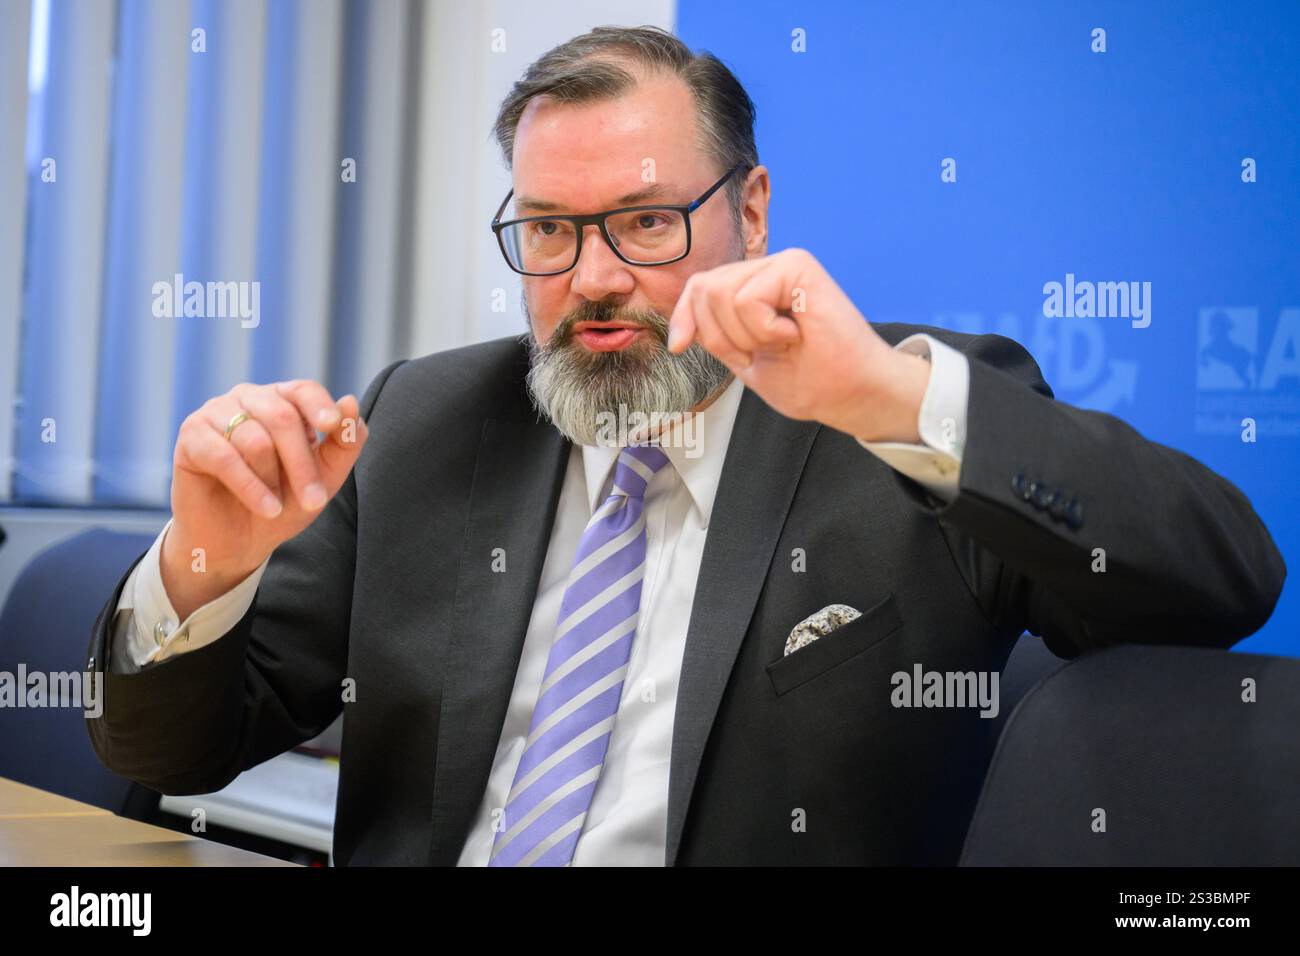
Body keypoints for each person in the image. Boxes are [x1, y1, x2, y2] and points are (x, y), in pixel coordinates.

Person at [86, 25, 1285, 866]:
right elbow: (172, 751)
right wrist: (205, 561)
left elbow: (1228, 577)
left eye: (647, 222)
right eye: (550, 229)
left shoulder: (885, 417)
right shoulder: (425, 422)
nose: (594, 278)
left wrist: (890, 399)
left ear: (750, 211)